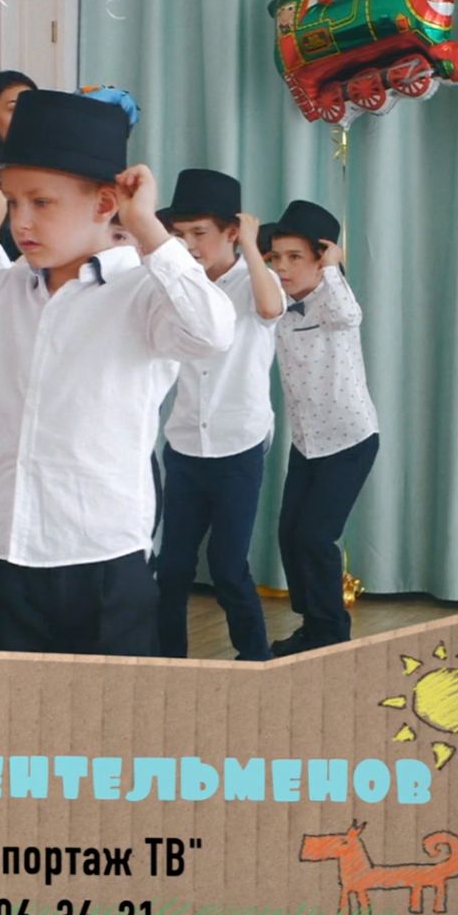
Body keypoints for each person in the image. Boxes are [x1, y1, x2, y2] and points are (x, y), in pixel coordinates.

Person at [0, 89, 235, 656]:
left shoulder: (144, 292)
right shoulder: (3, 290)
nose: (22, 222)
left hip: (101, 555)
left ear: (105, 202)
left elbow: (211, 333)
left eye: (42, 202)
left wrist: (148, 230)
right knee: (9, 713)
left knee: (109, 714)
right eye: (13, 202)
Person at [153, 170, 284, 661]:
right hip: (185, 443)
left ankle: (256, 663)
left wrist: (251, 245)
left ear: (231, 231)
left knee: (228, 568)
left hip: (237, 446)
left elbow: (270, 310)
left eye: (199, 233)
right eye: (179, 233)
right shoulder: (177, 285)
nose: (188, 244)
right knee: (172, 569)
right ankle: (169, 666)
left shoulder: (256, 281)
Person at [264, 199, 378, 658]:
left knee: (314, 537)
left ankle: (331, 634)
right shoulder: (278, 305)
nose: (282, 267)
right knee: (290, 534)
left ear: (321, 258)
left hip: (349, 440)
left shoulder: (335, 302)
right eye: (277, 257)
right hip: (307, 441)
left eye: (295, 257)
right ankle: (313, 624)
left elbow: (350, 316)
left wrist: (333, 267)